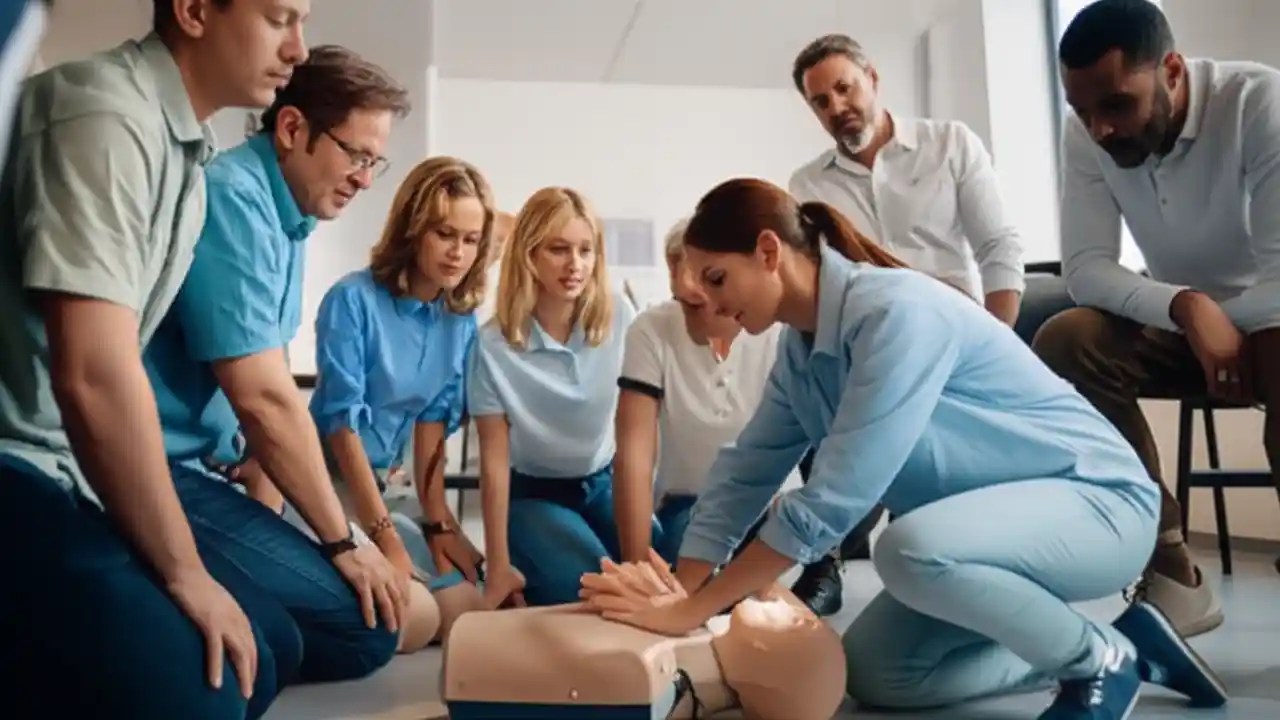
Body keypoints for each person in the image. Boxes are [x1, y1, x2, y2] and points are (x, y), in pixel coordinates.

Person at [599, 177, 1228, 719]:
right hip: (987, 536)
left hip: (1100, 505)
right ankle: (1120, 643)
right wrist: (681, 590)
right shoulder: (801, 352)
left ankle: (1097, 661)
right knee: (880, 674)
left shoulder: (896, 311)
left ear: (769, 252)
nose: (709, 300)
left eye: (717, 278)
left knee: (905, 549)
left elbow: (839, 494)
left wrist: (698, 609)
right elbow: (746, 471)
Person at [0, 2, 310, 717]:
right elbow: (93, 375)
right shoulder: (105, 114)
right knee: (212, 688)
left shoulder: (190, 156)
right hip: (19, 461)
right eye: (278, 18)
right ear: (195, 10)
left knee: (269, 650)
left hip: (73, 469)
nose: (299, 48)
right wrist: (184, 572)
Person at [142, 43, 412, 683]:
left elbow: (267, 395)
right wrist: (344, 542)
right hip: (158, 471)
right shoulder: (234, 196)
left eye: (375, 163)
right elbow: (263, 400)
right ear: (291, 128)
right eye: (355, 155)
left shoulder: (289, 219)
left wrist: (269, 505)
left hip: (212, 467)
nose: (364, 179)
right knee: (364, 630)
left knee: (341, 625)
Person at [1035, 0, 1280, 640]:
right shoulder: (1087, 132)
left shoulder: (1258, 102)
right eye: (1082, 110)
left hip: (1273, 319)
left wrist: (1225, 323)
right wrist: (1186, 307)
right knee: (1067, 340)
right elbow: (1086, 267)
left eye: (1118, 105)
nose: (1100, 128)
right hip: (1181, 326)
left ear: (1172, 71)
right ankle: (1170, 564)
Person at [786, 32, 1028, 602]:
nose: (837, 107)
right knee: (810, 377)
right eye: (821, 101)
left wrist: (998, 342)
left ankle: (925, 552)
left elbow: (998, 246)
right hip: (867, 348)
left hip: (956, 341)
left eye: (845, 88)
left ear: (873, 80)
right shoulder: (807, 185)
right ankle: (823, 561)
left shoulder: (951, 144)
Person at [309, 156, 494, 647]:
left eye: (471, 240)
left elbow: (431, 426)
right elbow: (342, 429)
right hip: (326, 486)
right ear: (412, 230)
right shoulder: (352, 299)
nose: (457, 252)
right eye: (444, 234)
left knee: (469, 610)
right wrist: (386, 538)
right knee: (420, 618)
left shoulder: (458, 319)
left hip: (389, 490)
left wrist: (440, 526)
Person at [466, 186, 645, 608]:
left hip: (604, 485)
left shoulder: (619, 315)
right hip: (533, 495)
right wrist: (498, 566)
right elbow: (493, 462)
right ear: (529, 254)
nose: (575, 265)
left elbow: (637, 431)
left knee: (659, 572)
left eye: (586, 250)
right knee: (589, 586)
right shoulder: (492, 345)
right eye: (559, 249)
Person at [445, 553, 846, 720]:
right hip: (481, 646)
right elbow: (767, 586)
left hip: (480, 655)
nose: (791, 609)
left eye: (797, 624)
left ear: (764, 653)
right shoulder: (703, 643)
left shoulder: (667, 671)